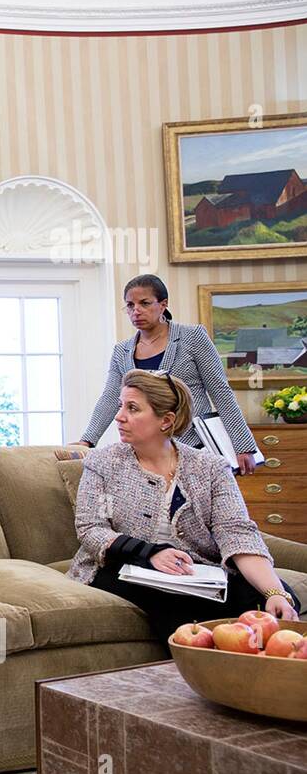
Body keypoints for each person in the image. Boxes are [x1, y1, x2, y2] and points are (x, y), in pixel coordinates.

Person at [67, 368, 300, 639]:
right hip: (119, 567)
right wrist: (150, 553)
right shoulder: (102, 462)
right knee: (176, 605)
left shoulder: (210, 468)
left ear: (166, 420)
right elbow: (90, 528)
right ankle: (206, 672)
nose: (119, 417)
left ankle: (260, 670)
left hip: (195, 573)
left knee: (276, 599)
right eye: (122, 406)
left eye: (132, 408)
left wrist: (274, 592)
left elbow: (237, 534)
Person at [76, 273, 258, 475]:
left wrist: (243, 446)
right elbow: (110, 399)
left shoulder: (193, 337)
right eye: (130, 305)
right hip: (144, 453)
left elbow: (220, 391)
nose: (136, 311)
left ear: (163, 304)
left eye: (144, 303)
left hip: (193, 446)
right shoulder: (122, 351)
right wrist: (88, 440)